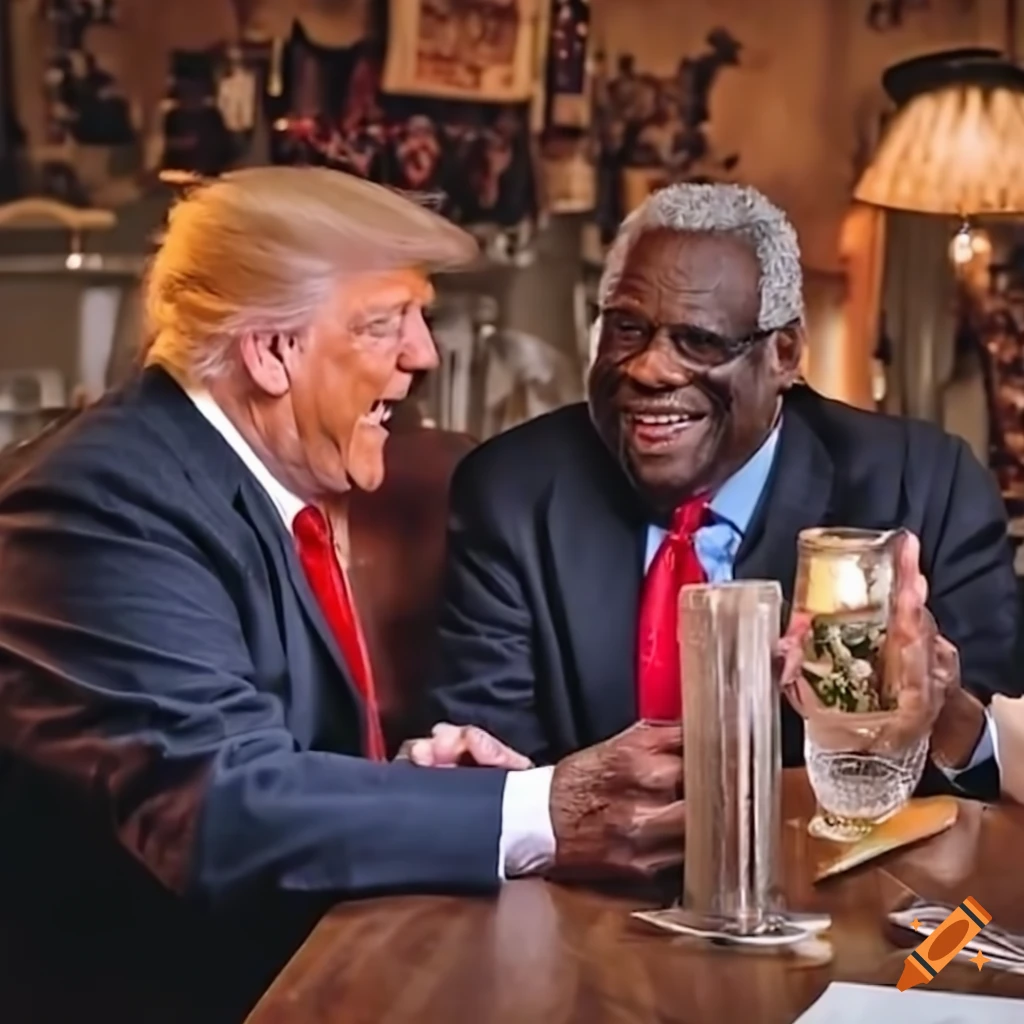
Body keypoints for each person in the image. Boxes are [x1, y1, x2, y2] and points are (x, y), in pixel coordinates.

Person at [0, 167, 683, 1022]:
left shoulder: (227, 482)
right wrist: (539, 808)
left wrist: (419, 791)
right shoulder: (97, 502)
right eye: (384, 322)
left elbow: (255, 764)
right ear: (272, 350)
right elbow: (218, 807)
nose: (424, 353)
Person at [421, 182, 1021, 802]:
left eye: (700, 341)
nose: (651, 369)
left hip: (855, 884)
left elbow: (989, 782)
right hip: (583, 886)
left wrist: (946, 712)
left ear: (783, 354)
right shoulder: (512, 491)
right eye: (627, 329)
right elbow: (496, 763)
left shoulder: (923, 488)